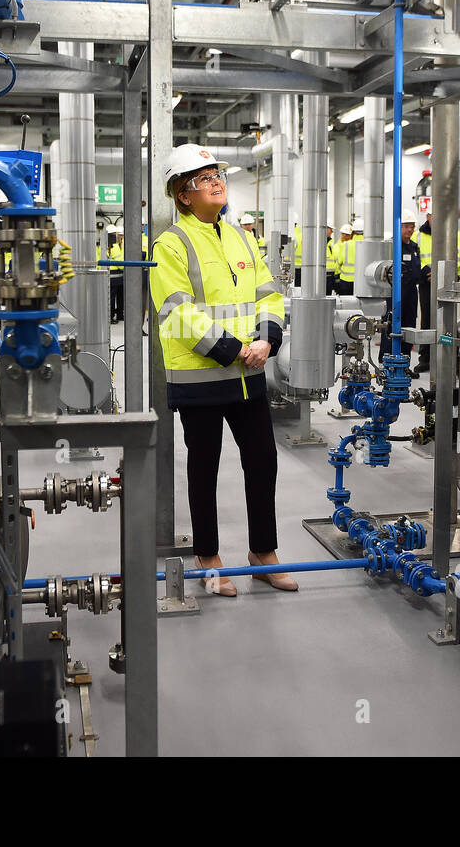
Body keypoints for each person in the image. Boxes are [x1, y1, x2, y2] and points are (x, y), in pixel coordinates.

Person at [150, 143, 295, 595]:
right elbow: (177, 312)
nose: (216, 181)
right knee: (204, 467)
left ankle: (263, 552)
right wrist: (236, 349)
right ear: (182, 195)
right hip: (202, 378)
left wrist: (267, 339)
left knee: (262, 461)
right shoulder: (169, 244)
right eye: (204, 177)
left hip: (249, 373)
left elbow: (268, 292)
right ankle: (208, 556)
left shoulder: (240, 237)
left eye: (218, 175)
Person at [379, 217, 428, 377]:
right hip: (395, 292)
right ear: (399, 228)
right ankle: (387, 365)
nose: (410, 230)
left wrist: (425, 273)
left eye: (412, 227)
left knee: (408, 326)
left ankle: (404, 365)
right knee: (391, 325)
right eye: (406, 226)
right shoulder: (392, 246)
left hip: (411, 292)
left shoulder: (414, 247)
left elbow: (414, 270)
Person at [413, 211, 434, 373]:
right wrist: (425, 271)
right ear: (428, 217)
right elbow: (415, 258)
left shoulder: (455, 234)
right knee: (426, 320)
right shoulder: (418, 236)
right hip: (426, 282)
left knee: (447, 320)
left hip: (447, 281)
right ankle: (425, 358)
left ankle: (445, 358)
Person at [103, 224, 125, 323]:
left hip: (107, 275)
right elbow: (119, 262)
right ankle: (116, 316)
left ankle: (111, 316)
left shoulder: (102, 245)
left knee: (110, 297)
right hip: (116, 276)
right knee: (117, 297)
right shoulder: (115, 246)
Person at [335, 223, 356, 295]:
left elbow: (338, 261)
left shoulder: (343, 245)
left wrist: (336, 274)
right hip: (355, 279)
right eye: (343, 234)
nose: (344, 236)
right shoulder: (337, 245)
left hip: (344, 279)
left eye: (346, 234)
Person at [325, 224, 337, 295]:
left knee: (328, 294)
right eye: (330, 229)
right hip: (320, 272)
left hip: (331, 273)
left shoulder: (333, 243)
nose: (332, 232)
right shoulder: (317, 242)